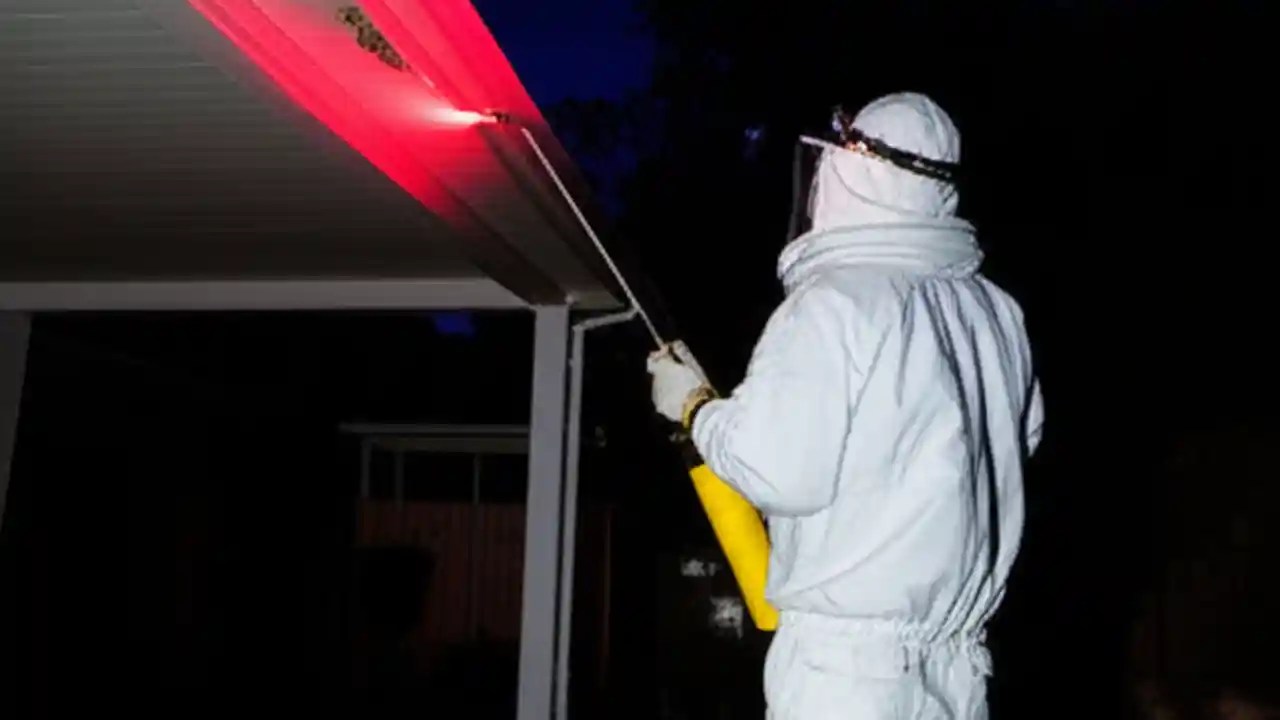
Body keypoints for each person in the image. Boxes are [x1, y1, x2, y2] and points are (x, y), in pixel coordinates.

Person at [647, 91, 1044, 719]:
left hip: (847, 679)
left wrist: (695, 406)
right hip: (958, 676)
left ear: (855, 172)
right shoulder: (996, 313)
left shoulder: (833, 303)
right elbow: (1006, 448)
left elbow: (777, 468)